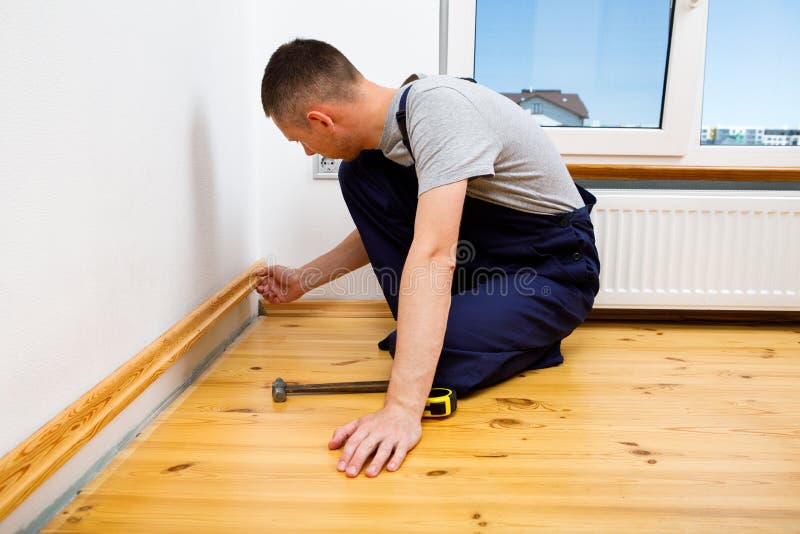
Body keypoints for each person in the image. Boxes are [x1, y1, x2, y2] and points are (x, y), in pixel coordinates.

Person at [256, 38, 600, 479]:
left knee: (422, 361)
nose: (307, 152)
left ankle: (521, 332)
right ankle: (468, 325)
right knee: (360, 175)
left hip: (554, 270)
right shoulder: (396, 136)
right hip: (491, 258)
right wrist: (306, 279)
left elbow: (434, 253)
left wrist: (402, 408)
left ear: (321, 120)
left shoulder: (440, 111)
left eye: (301, 140)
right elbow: (397, 230)